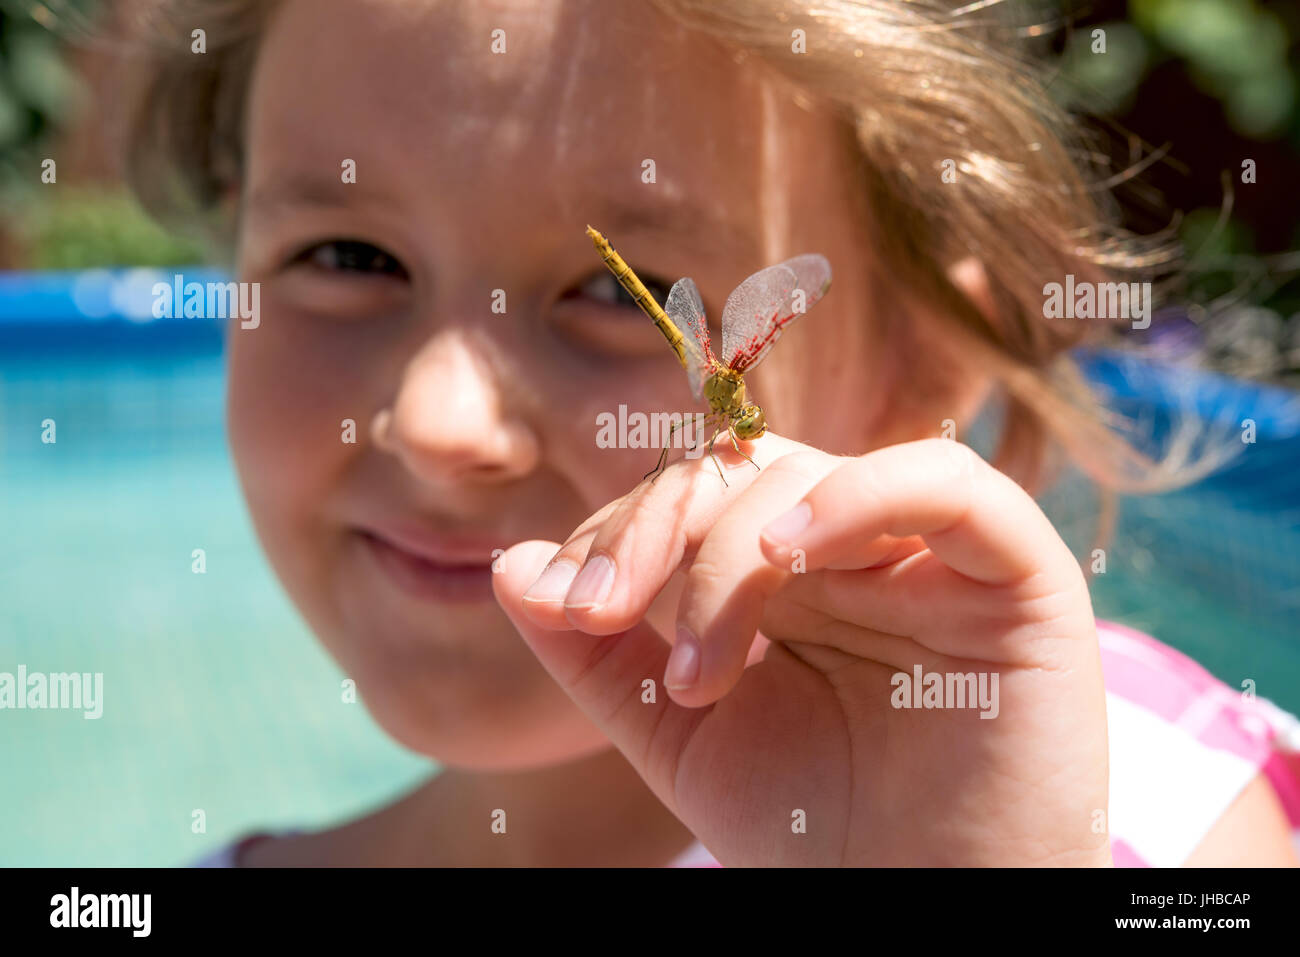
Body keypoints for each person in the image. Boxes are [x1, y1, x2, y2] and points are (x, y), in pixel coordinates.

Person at [122, 0, 1300, 866]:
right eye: (347, 258)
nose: (441, 425)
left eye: (611, 291)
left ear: (919, 364)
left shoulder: (1128, 798)